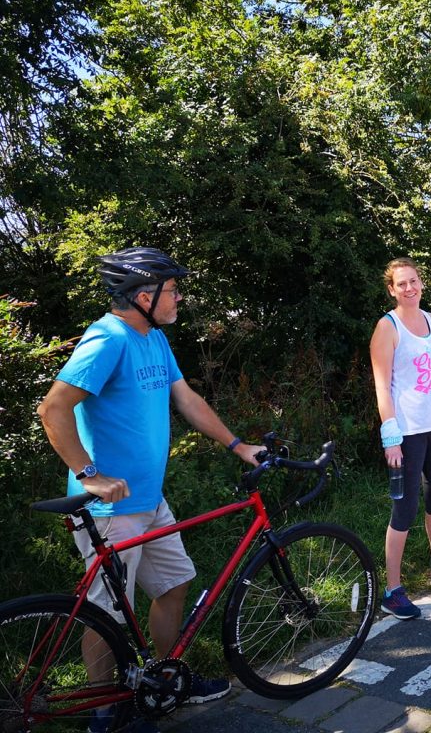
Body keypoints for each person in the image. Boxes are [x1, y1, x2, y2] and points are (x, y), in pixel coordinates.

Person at [36, 247, 263, 733]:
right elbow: (53, 409)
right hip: (111, 508)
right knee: (106, 616)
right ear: (144, 295)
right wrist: (89, 473)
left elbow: (187, 399)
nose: (178, 297)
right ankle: (104, 713)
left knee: (174, 584)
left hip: (149, 500)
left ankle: (165, 678)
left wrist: (238, 444)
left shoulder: (153, 338)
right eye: (173, 290)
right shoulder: (108, 338)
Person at [369, 257, 431, 621]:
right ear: (392, 289)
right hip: (408, 433)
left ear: (421, 284)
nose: (409, 288)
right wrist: (390, 436)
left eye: (414, 281)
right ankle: (392, 590)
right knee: (404, 509)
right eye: (402, 284)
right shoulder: (387, 327)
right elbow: (382, 386)